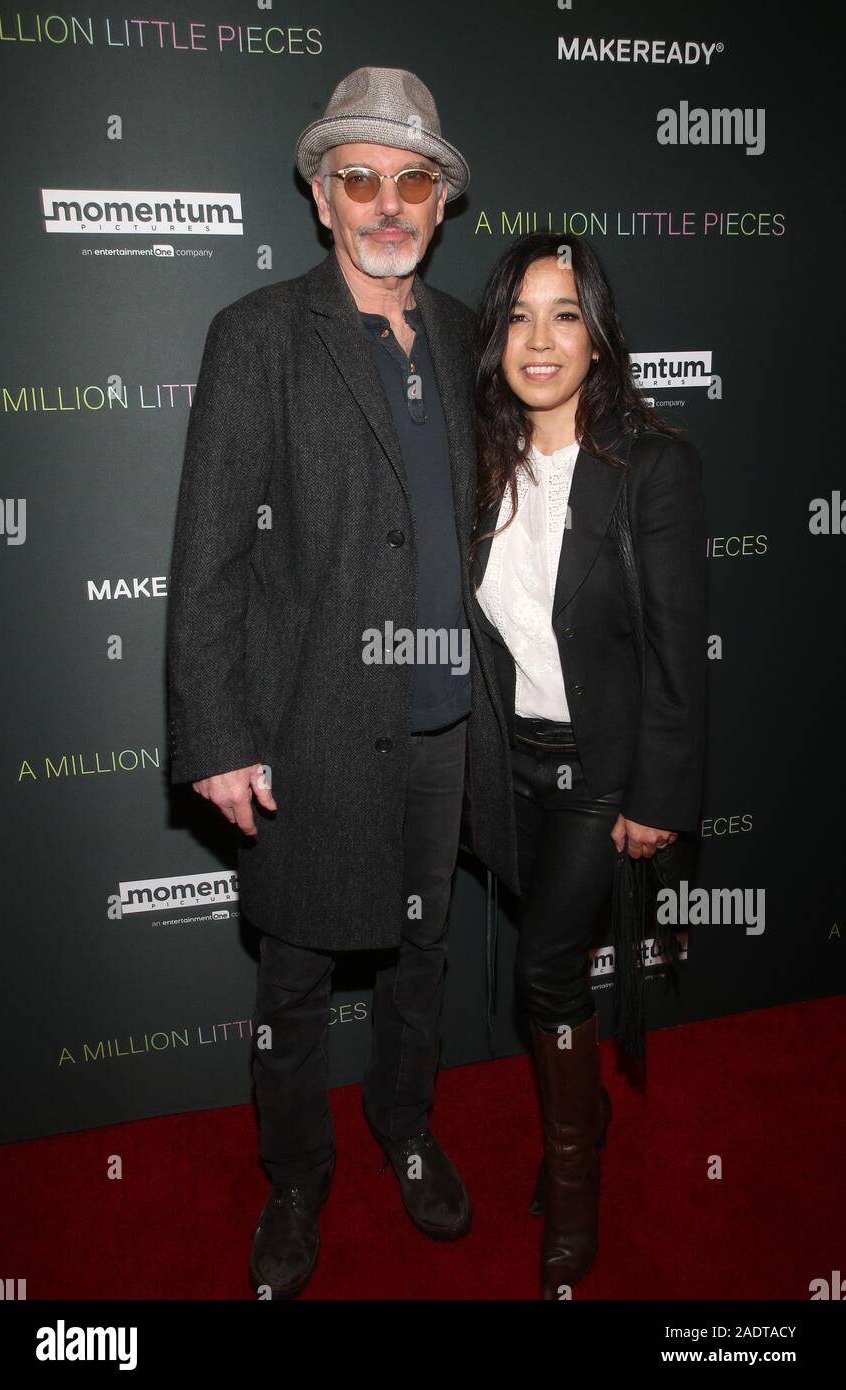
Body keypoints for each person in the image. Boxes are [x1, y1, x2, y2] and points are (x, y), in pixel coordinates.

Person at [166, 66, 518, 1299]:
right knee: (298, 974)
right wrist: (217, 727)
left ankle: (406, 1124)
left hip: (445, 726)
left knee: (421, 959)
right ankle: (296, 1175)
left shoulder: (479, 339)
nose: (385, 203)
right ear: (320, 198)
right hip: (310, 726)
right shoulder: (257, 335)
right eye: (357, 178)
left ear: (439, 201)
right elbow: (208, 556)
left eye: (410, 180)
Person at [470, 232, 707, 1300]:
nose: (539, 337)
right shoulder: (482, 463)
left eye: (563, 313)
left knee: (543, 974)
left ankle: (574, 1177)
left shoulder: (649, 466)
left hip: (596, 772)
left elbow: (674, 648)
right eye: (518, 314)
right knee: (544, 962)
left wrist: (655, 797)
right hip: (504, 766)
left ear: (598, 336)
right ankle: (586, 1108)